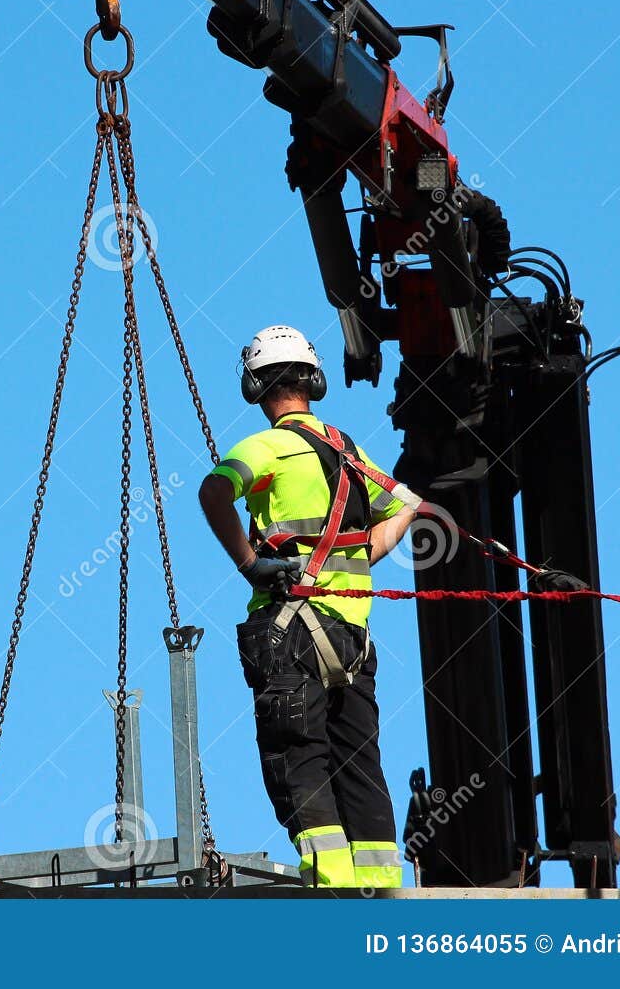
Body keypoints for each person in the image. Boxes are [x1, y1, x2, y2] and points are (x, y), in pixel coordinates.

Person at [198, 325, 420, 888]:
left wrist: (250, 563)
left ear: (256, 387)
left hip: (291, 632)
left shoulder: (266, 447)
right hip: (351, 636)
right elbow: (408, 504)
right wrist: (364, 550)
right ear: (311, 379)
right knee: (360, 765)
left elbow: (213, 492)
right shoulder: (348, 451)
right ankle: (379, 888)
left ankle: (332, 884)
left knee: (297, 757)